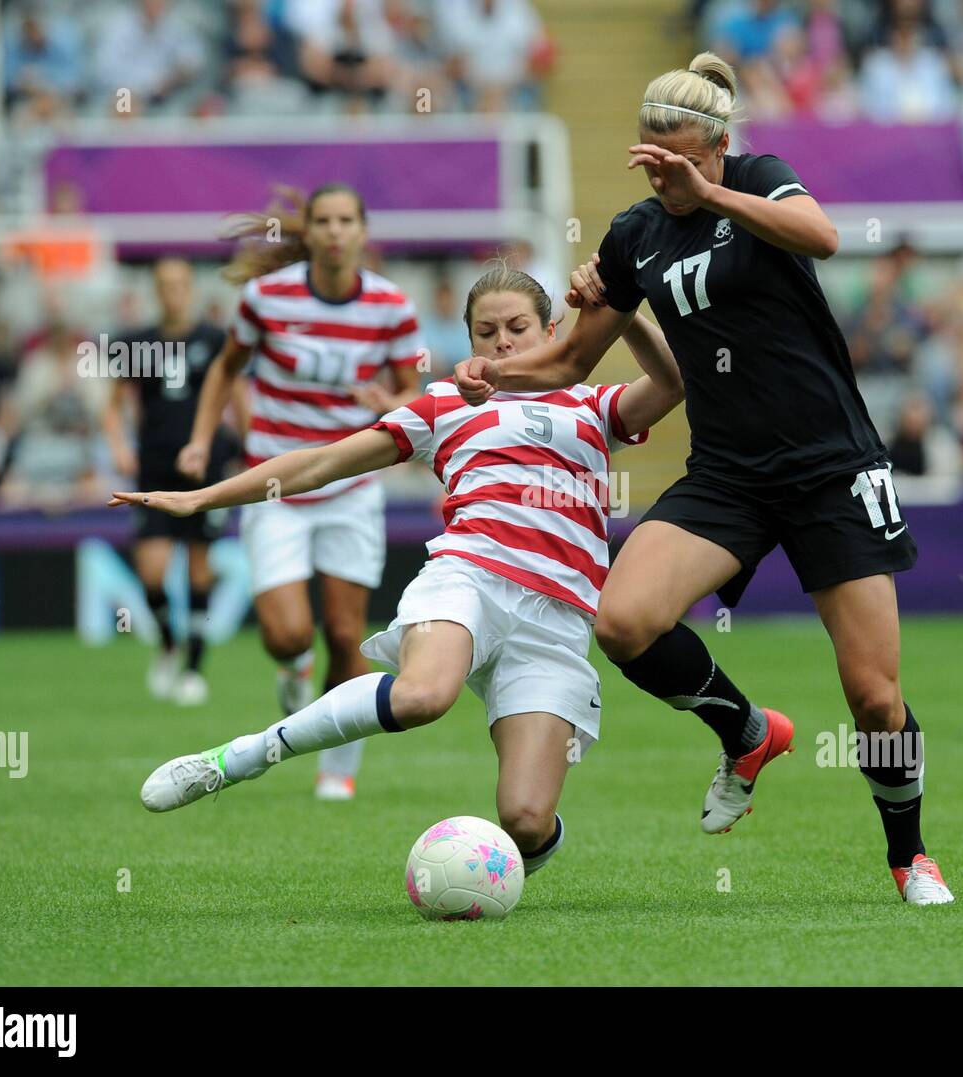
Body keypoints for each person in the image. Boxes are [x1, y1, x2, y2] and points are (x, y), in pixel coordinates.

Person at [455, 52, 954, 904]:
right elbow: (573, 356)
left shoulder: (759, 180)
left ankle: (908, 856)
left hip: (830, 464)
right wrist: (490, 374)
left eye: (680, 161)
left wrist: (714, 194)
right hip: (727, 473)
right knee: (623, 622)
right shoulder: (636, 235)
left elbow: (824, 238)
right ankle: (745, 731)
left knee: (874, 697)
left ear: (717, 148)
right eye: (651, 161)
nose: (666, 178)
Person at [113, 264, 684, 876]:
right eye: (486, 333)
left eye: (518, 328)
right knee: (421, 696)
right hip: (469, 575)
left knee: (524, 820)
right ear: (469, 343)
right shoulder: (445, 404)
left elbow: (674, 382)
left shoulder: (594, 406)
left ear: (554, 329)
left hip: (558, 617)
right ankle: (246, 756)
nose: (503, 343)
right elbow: (322, 464)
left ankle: (515, 855)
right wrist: (203, 498)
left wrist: (624, 305)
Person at [177, 182, 422, 800]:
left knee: (345, 634)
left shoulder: (392, 306)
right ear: (307, 232)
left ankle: (337, 770)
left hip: (350, 484)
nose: (336, 231)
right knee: (286, 635)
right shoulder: (264, 298)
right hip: (277, 481)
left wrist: (387, 403)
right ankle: (293, 673)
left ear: (363, 230)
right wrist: (203, 440)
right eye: (325, 221)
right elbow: (226, 369)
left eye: (347, 220)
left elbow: (415, 394)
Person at [102, 258, 241, 704]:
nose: (173, 292)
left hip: (205, 468)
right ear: (155, 290)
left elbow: (237, 396)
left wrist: (251, 448)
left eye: (180, 283)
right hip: (153, 468)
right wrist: (120, 446)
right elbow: (113, 404)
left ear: (191, 288)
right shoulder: (136, 343)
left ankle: (194, 670)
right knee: (151, 571)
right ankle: (166, 641)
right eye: (164, 284)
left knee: (200, 570)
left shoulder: (216, 340)